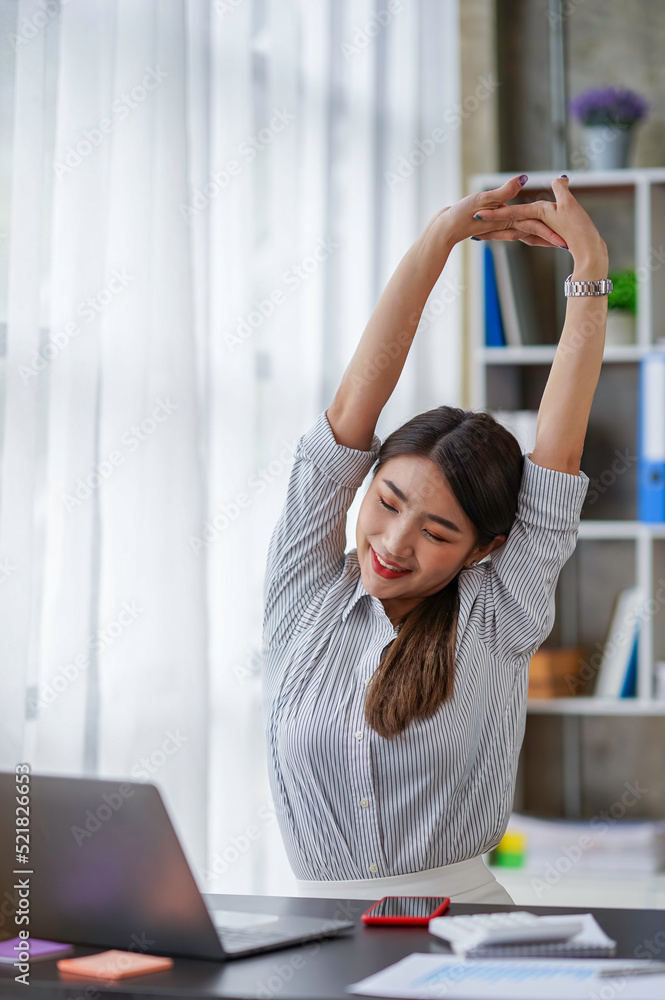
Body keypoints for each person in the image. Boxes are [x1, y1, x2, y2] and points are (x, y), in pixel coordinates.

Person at [261, 173, 609, 903]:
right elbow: (354, 404)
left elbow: (558, 451)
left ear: (482, 549)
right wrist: (439, 237)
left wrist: (588, 278)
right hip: (313, 935)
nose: (391, 541)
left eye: (438, 531)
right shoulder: (305, 596)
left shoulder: (499, 610)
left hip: (463, 932)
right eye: (385, 501)